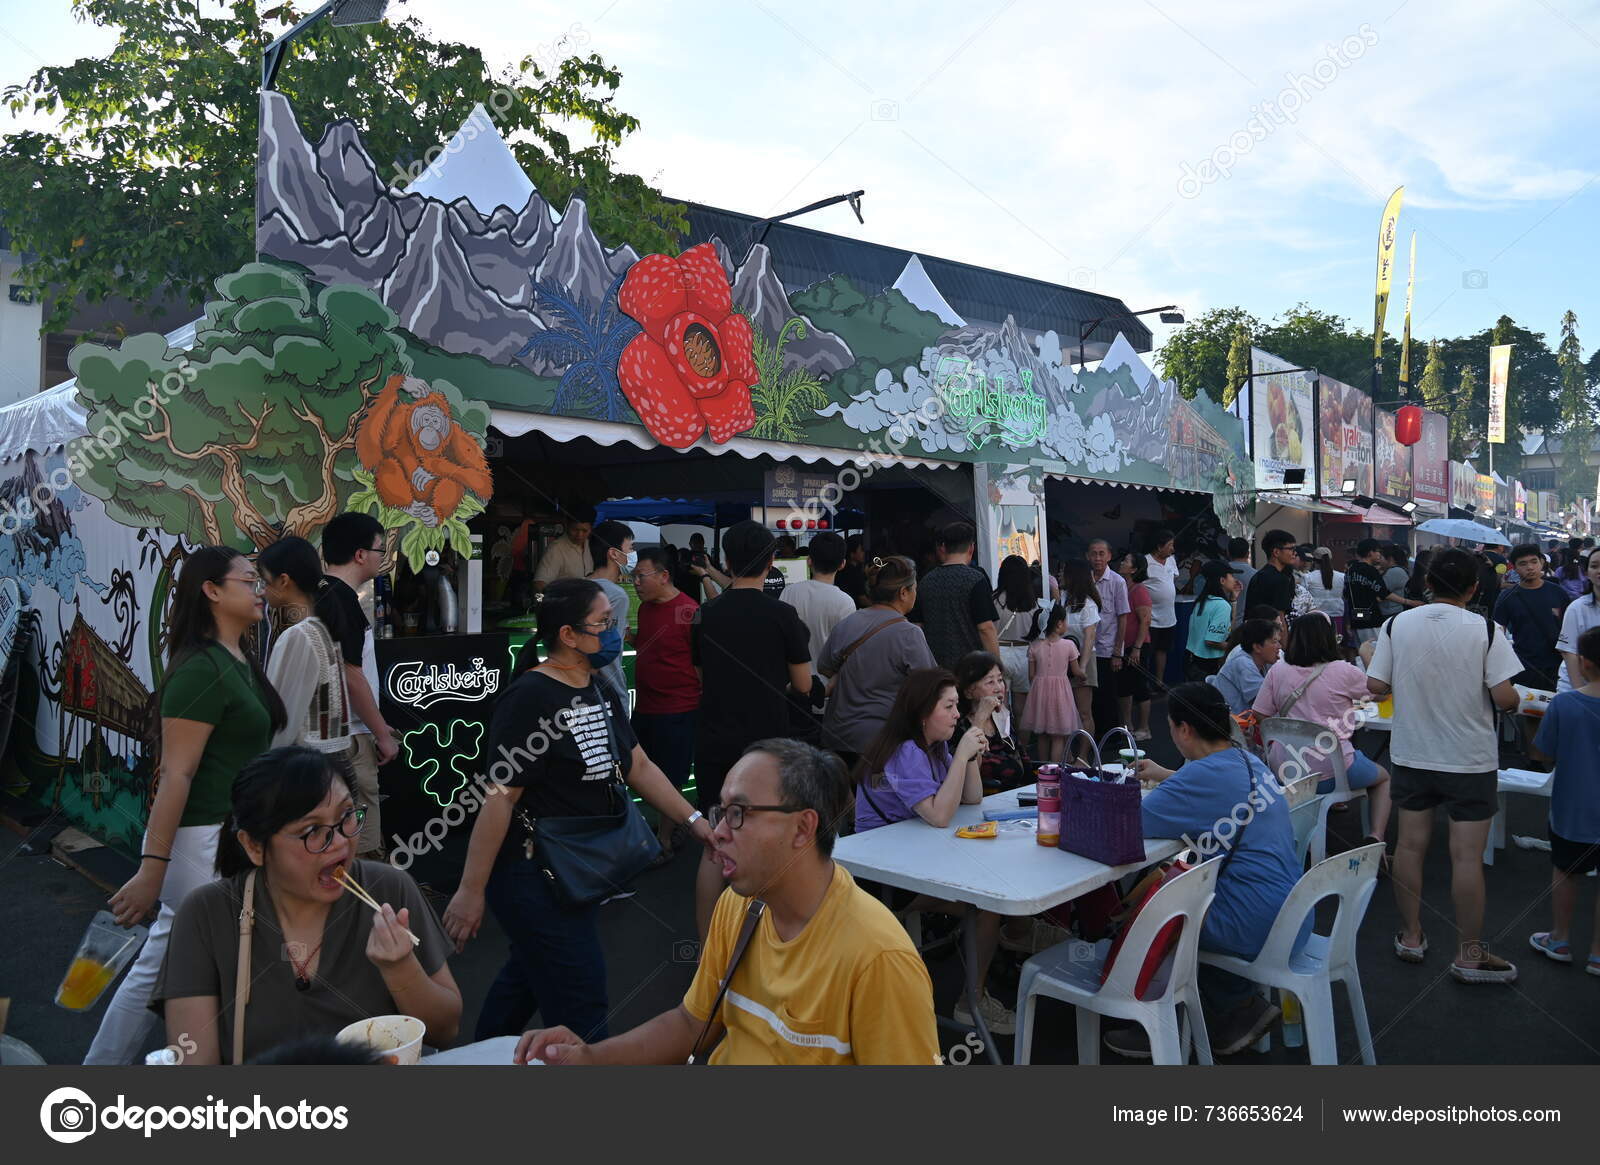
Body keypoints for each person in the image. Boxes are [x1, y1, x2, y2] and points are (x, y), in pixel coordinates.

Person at [514, 740, 939, 1065]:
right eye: (721, 812)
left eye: (739, 813)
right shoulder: (740, 906)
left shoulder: (878, 958)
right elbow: (691, 1023)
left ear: (802, 828)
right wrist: (591, 1057)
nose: (718, 832)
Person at [442, 580, 716, 1042]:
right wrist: (472, 890)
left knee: (529, 974)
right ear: (568, 635)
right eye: (604, 623)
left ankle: (478, 1059)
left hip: (578, 867)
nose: (616, 632)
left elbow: (639, 765)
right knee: (581, 1000)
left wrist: (694, 822)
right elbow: (500, 797)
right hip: (533, 873)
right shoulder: (530, 697)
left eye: (614, 621)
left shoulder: (598, 687)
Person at [84, 546, 287, 1065]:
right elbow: (177, 773)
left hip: (234, 835)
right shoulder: (200, 669)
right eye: (249, 580)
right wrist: (153, 868)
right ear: (212, 591)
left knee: (186, 957)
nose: (259, 589)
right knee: (170, 958)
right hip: (203, 840)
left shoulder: (238, 657)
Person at [152, 747, 461, 1063]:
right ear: (254, 846)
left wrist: (401, 969)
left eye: (346, 817)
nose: (340, 842)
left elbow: (445, 1030)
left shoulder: (388, 889)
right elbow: (194, 1063)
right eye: (312, 831)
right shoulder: (207, 914)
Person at [1113, 683, 1307, 1058]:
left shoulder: (1203, 775)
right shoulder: (1248, 760)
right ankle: (1233, 1006)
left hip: (1252, 926)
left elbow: (1128, 826)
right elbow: (1214, 788)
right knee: (1189, 891)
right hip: (1293, 912)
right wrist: (1169, 775)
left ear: (1183, 729)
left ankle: (1156, 1020)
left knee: (1156, 913)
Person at [1367, 548, 1522, 983]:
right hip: (1470, 760)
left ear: (1427, 583)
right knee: (1466, 858)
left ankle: (1412, 936)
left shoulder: (1396, 624)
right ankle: (1469, 955)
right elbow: (1506, 697)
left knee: (1410, 847)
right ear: (1474, 588)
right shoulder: (1487, 629)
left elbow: (1376, 685)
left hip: (1412, 753)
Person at [853, 668, 1013, 1035]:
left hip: (912, 861)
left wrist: (969, 757)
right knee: (988, 905)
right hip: (880, 877)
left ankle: (975, 989)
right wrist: (961, 758)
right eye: (950, 706)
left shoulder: (933, 746)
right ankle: (971, 1003)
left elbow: (971, 799)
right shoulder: (905, 752)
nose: (958, 715)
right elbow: (941, 816)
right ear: (923, 713)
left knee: (990, 896)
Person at [691, 520, 812, 935]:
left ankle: (708, 946)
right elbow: (804, 684)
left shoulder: (705, 613)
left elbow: (701, 676)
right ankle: (764, 938)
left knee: (715, 841)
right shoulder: (783, 615)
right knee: (768, 838)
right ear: (772, 561)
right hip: (767, 746)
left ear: (725, 560)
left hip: (714, 737)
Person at [1251, 612, 1392, 846]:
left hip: (1285, 768)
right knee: (1384, 778)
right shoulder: (1342, 671)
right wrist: (1367, 654)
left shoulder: (1278, 670)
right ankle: (1375, 837)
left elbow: (1260, 714)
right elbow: (1380, 691)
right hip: (1332, 768)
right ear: (1328, 639)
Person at [314, 512, 396, 858]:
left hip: (331, 735)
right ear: (360, 554)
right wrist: (381, 734)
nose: (383, 557)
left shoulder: (319, 593)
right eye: (380, 549)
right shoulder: (341, 599)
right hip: (350, 738)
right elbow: (350, 674)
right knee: (359, 849)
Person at [1526, 627, 1600, 976]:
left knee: (1566, 872)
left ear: (1583, 663)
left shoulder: (1566, 705)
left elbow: (1542, 751)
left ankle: (1560, 938)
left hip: (1572, 811)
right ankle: (1598, 953)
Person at [819, 555, 934, 770]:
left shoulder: (847, 623)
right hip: (882, 742)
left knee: (846, 801)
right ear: (903, 592)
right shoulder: (909, 633)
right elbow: (929, 686)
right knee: (878, 799)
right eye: (914, 589)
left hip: (838, 736)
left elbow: (824, 666)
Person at [631, 546, 701, 855]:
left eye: (640, 576)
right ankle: (658, 830)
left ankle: (665, 839)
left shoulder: (689, 610)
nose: (635, 583)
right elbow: (646, 643)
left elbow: (700, 663)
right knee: (635, 770)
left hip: (678, 707)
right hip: (645, 705)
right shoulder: (644, 608)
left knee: (672, 775)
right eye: (632, 576)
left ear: (664, 576)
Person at [258, 536, 353, 757]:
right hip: (333, 762)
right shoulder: (322, 627)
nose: (261, 591)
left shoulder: (298, 635)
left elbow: (280, 716)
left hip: (306, 766)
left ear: (283, 580)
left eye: (264, 581)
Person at [909, 521, 1000, 669]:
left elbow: (917, 626)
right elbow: (986, 628)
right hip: (971, 667)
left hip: (936, 667)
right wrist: (996, 667)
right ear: (971, 548)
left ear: (943, 548)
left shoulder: (925, 581)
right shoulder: (976, 580)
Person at [781, 531, 857, 692]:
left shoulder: (789, 592)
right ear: (842, 564)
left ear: (809, 561)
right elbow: (847, 653)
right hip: (828, 690)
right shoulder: (845, 602)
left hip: (792, 687)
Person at [1494, 543, 1569, 693]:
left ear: (1541, 562)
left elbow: (1568, 629)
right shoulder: (1507, 597)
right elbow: (1498, 633)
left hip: (1557, 665)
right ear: (1514, 568)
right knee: (1530, 711)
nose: (1530, 567)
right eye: (1523, 564)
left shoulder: (1558, 593)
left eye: (1534, 561)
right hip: (1524, 665)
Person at [955, 650, 1030, 791]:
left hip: (1015, 797)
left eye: (1000, 680)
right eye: (990, 682)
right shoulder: (958, 725)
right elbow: (967, 773)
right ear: (968, 691)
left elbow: (1023, 761)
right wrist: (981, 717)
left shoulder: (1002, 717)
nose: (998, 688)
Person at [1021, 604, 1084, 762]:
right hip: (1061, 693)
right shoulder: (1069, 645)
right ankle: (1056, 771)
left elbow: (1031, 675)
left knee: (1042, 735)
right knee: (1058, 737)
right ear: (1059, 624)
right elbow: (1076, 672)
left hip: (1040, 693)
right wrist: (1083, 676)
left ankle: (1042, 769)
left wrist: (1039, 686)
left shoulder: (1034, 646)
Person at [584, 519, 636, 704]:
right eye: (630, 548)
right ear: (614, 553)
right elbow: (609, 652)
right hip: (609, 692)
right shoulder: (616, 595)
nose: (632, 554)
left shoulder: (580, 586)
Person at [993, 554, 1046, 729]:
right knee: (1021, 707)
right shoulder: (1033, 603)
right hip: (1024, 655)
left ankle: (1005, 744)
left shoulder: (994, 600)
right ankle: (1022, 747)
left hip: (999, 652)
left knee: (1000, 705)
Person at [1087, 538, 1132, 736]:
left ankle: (1111, 737)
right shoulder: (1085, 579)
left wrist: (1117, 652)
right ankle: (1095, 734)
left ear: (1109, 556)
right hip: (1088, 648)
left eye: (1101, 553)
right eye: (1094, 553)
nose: (1097, 558)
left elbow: (1122, 618)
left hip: (1107, 647)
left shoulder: (1117, 581)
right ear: (1088, 556)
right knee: (1091, 694)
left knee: (1108, 694)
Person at [1059, 559, 1102, 739]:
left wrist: (1082, 666)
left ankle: (1084, 756)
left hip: (1083, 658)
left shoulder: (1088, 604)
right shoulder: (1062, 597)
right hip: (1064, 659)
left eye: (1063, 571)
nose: (1060, 575)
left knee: (1084, 712)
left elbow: (1090, 637)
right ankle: (1067, 754)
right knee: (1064, 712)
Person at [1116, 550, 1154, 741]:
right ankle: (1127, 725)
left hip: (1137, 646)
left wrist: (1137, 648)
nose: (1122, 563)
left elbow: (1145, 621)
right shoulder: (1123, 587)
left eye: (1126, 560)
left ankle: (1144, 727)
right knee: (1124, 686)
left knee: (1140, 686)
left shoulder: (1139, 590)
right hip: (1124, 645)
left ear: (1134, 569)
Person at [1209, 618, 1281, 715]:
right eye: (1274, 641)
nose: (1279, 646)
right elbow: (1263, 702)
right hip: (1228, 724)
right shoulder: (1243, 663)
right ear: (1257, 647)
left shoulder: (1264, 662)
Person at [1185, 561, 1240, 680]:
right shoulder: (1221, 605)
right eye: (1231, 575)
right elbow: (1211, 641)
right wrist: (1235, 646)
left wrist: (1233, 599)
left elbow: (1228, 628)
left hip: (1193, 662)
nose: (1235, 580)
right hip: (1209, 666)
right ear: (1222, 580)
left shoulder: (1203, 601)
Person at [1556, 550, 1600, 693]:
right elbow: (1569, 653)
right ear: (1586, 573)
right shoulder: (1577, 608)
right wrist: (1581, 695)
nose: (1599, 571)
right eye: (1594, 566)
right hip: (1576, 687)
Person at [1146, 529, 1181, 688]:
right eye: (1170, 545)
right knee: (1147, 652)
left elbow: (1172, 579)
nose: (1172, 549)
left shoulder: (1171, 560)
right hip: (1150, 619)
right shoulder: (1145, 562)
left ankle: (1159, 682)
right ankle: (1144, 683)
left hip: (1169, 617)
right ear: (1159, 547)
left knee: (1163, 650)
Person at [533, 508, 595, 591]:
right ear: (567, 526)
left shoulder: (591, 545)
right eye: (575, 530)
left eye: (585, 531)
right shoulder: (556, 548)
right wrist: (546, 601)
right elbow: (539, 584)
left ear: (591, 529)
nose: (579, 535)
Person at [1244, 529, 1298, 618]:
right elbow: (1280, 617)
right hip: (1272, 630)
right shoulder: (1280, 580)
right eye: (1291, 549)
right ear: (1276, 552)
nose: (1295, 553)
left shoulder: (1258, 576)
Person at [1344, 539, 1390, 645]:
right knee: (1374, 652)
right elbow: (1384, 593)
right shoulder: (1371, 570)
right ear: (1370, 553)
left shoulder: (1350, 570)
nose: (1379, 554)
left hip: (1356, 617)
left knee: (1361, 652)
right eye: (1378, 551)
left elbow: (1347, 595)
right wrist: (1408, 601)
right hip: (1371, 619)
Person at [1302, 546, 1346, 632]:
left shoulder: (1308, 577)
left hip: (1315, 616)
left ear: (1314, 561)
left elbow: (1303, 598)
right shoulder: (1342, 576)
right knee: (1335, 642)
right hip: (1337, 614)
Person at [1379, 542, 1420, 617]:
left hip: (1391, 612)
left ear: (1390, 559)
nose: (1379, 560)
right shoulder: (1399, 569)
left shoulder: (1394, 572)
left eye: (1381, 557)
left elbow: (1380, 592)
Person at [1225, 535, 1257, 624]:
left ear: (1228, 553)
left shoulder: (1221, 572)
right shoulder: (1256, 574)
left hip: (1223, 625)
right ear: (1248, 553)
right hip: (1248, 625)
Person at [834, 533, 870, 609]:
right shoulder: (854, 573)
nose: (864, 553)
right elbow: (862, 599)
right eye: (862, 550)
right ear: (852, 554)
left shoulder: (841, 570)